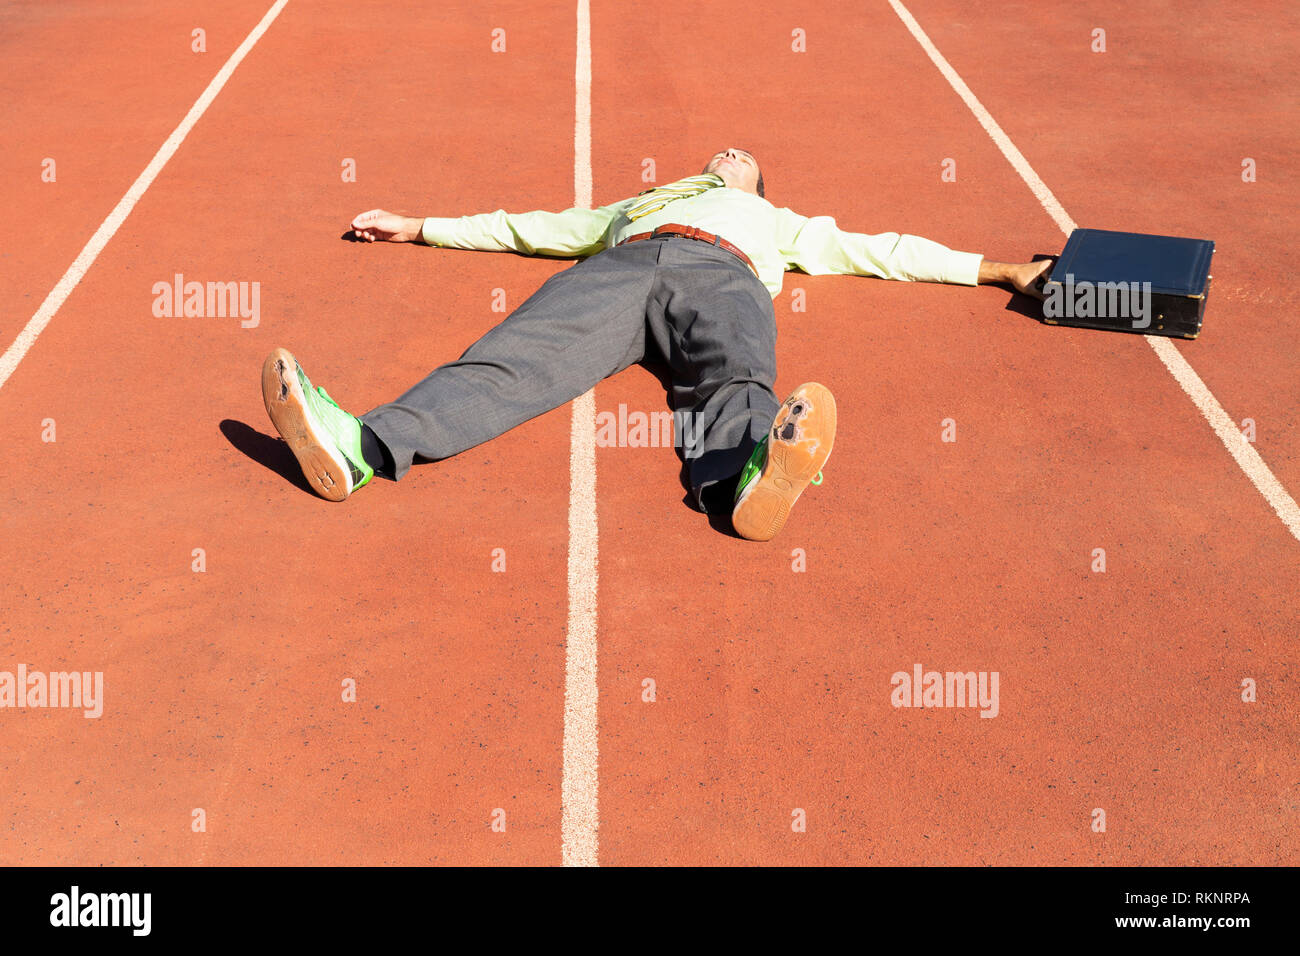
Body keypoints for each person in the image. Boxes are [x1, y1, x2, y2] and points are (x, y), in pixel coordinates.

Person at [261, 147, 1051, 541]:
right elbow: (529, 227)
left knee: (736, 376)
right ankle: (361, 447)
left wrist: (1001, 270)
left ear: (756, 186)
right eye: (722, 150)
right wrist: (420, 225)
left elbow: (884, 250)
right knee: (512, 359)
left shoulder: (775, 221)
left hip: (724, 274)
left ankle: (749, 476)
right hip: (622, 266)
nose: (729, 150)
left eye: (744, 156)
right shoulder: (634, 206)